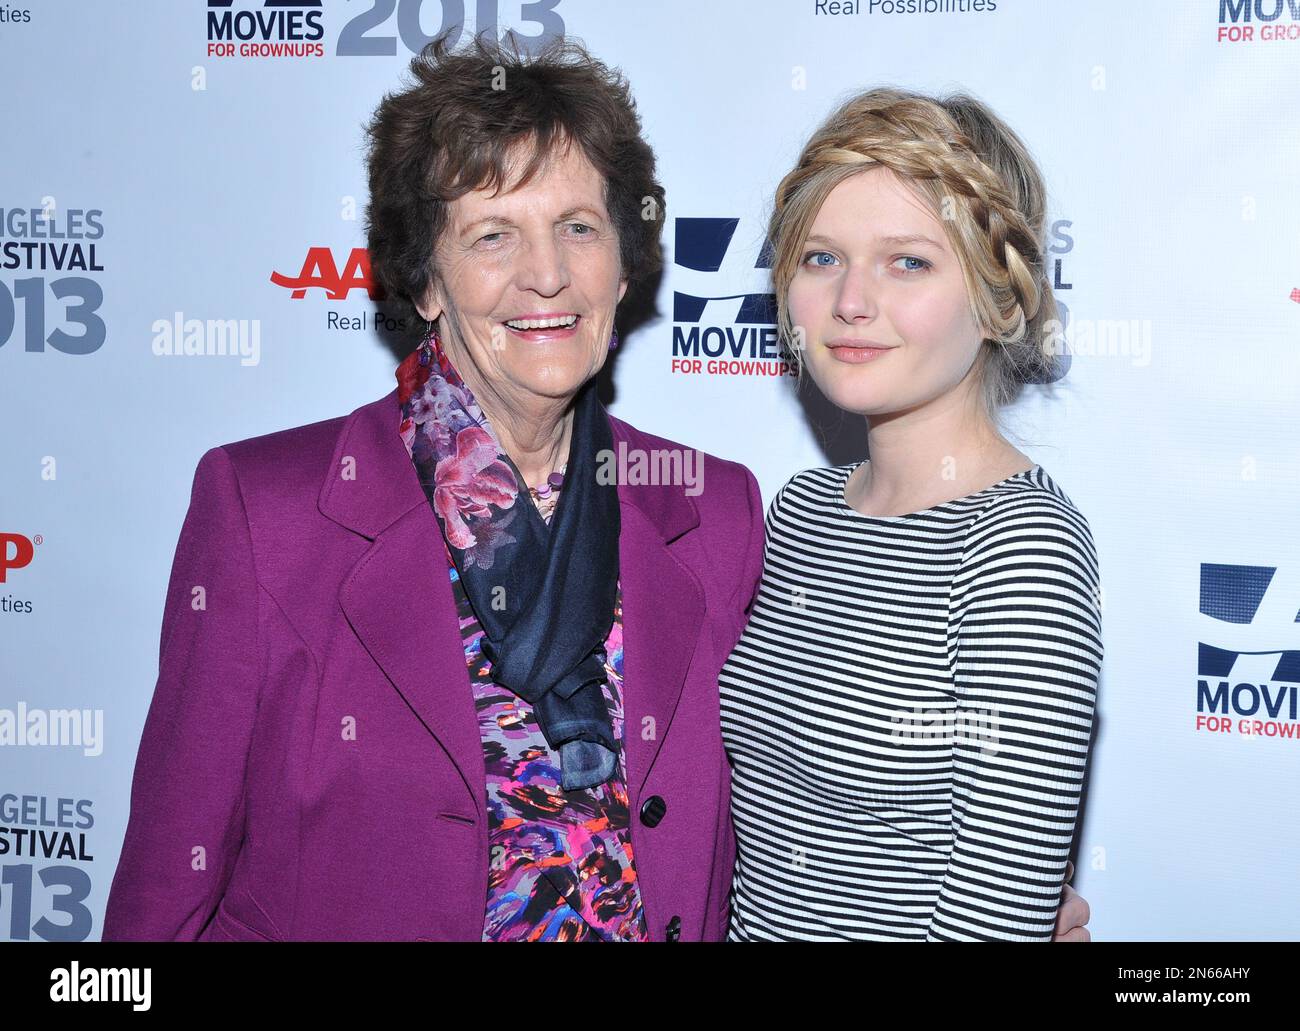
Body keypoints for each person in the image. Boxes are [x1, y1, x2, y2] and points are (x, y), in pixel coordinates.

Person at [101, 34, 1092, 942]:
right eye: (491, 234)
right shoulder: (265, 512)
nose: (544, 275)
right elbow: (163, 899)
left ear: (624, 267)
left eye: (578, 227)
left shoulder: (713, 512)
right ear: (425, 278)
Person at [718, 87, 1103, 940]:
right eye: (821, 258)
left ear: (999, 298)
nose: (851, 300)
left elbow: (990, 921)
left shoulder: (1021, 550)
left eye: (909, 261)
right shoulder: (800, 512)